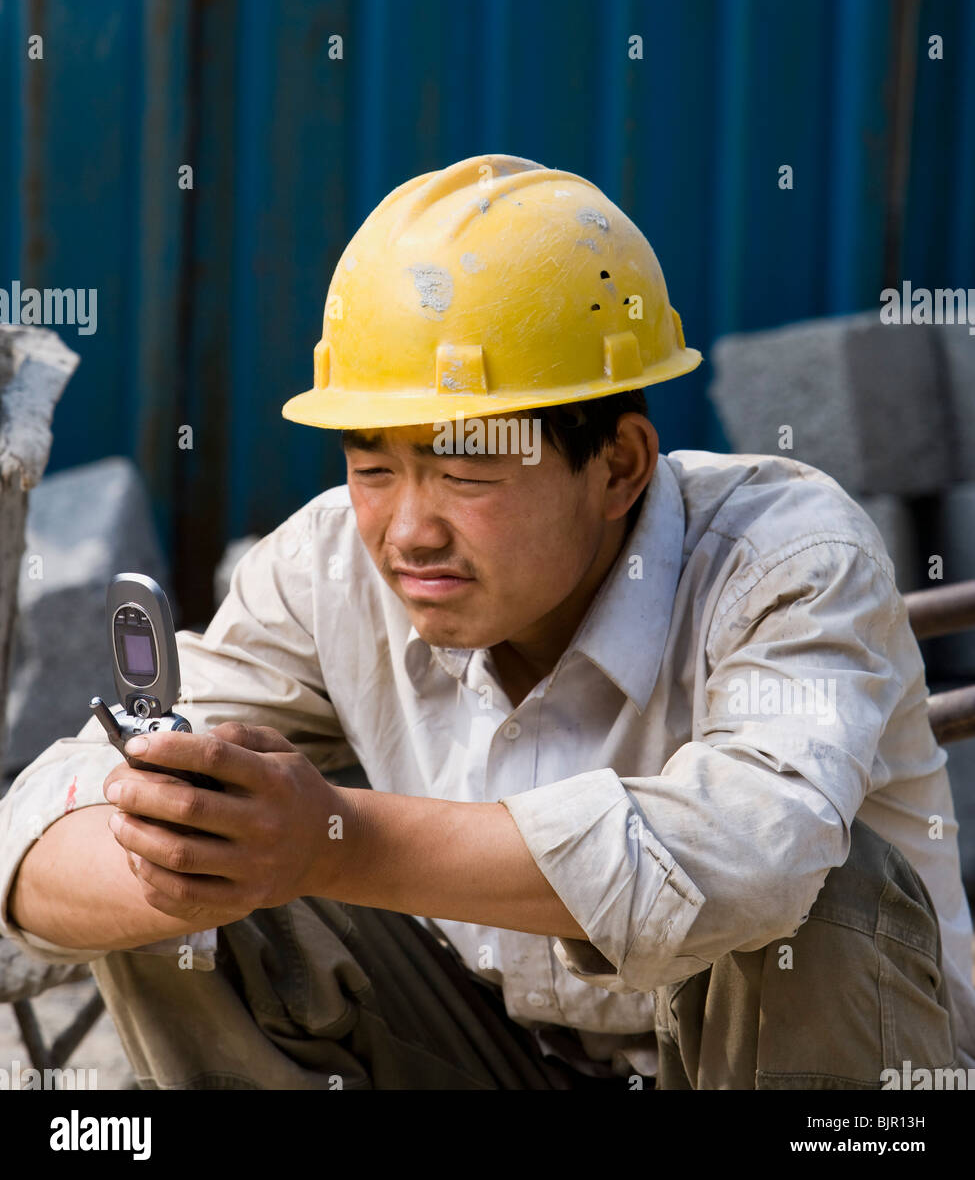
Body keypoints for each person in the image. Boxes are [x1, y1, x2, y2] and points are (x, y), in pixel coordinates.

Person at [1, 153, 972, 1090]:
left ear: (621, 466)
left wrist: (332, 837)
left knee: (821, 891)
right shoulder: (328, 564)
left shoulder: (786, 557)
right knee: (184, 869)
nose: (410, 531)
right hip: (501, 1054)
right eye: (373, 467)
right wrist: (176, 846)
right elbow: (31, 828)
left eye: (467, 471)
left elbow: (757, 853)